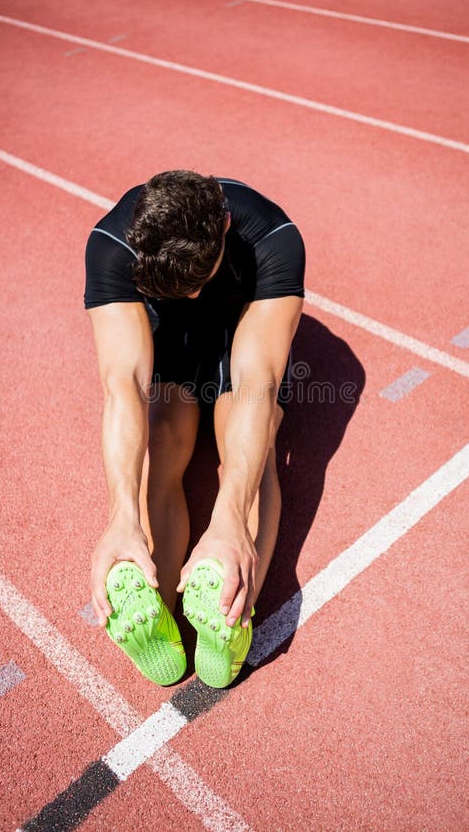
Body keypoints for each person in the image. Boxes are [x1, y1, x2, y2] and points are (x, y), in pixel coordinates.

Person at [84, 170, 305, 687]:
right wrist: (121, 516)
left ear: (225, 225)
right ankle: (154, 606)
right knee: (162, 439)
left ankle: (230, 610)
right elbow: (123, 388)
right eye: (170, 289)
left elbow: (257, 384)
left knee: (247, 453)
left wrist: (227, 519)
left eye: (195, 285)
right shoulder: (112, 247)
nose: (188, 298)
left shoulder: (273, 238)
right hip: (171, 344)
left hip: (242, 333)